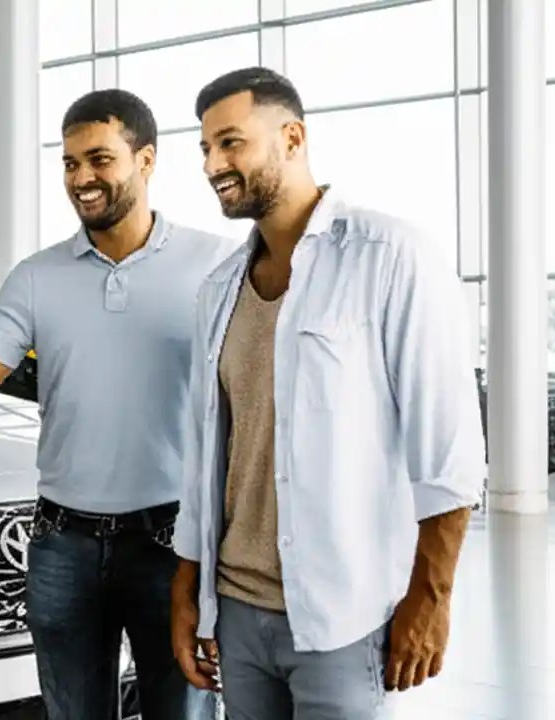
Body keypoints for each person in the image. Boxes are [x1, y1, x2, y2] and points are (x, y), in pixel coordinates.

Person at [0, 89, 236, 720]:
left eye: (99, 159)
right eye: (68, 164)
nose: (82, 178)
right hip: (63, 545)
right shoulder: (36, 276)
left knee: (184, 713)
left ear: (145, 160)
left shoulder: (215, 264)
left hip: (174, 545)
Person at [170, 66, 487, 720]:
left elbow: (449, 446)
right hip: (236, 612)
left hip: (342, 619)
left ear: (292, 137)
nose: (212, 164)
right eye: (204, 148)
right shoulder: (217, 289)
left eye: (231, 142)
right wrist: (187, 590)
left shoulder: (390, 255)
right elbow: (207, 456)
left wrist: (432, 597)